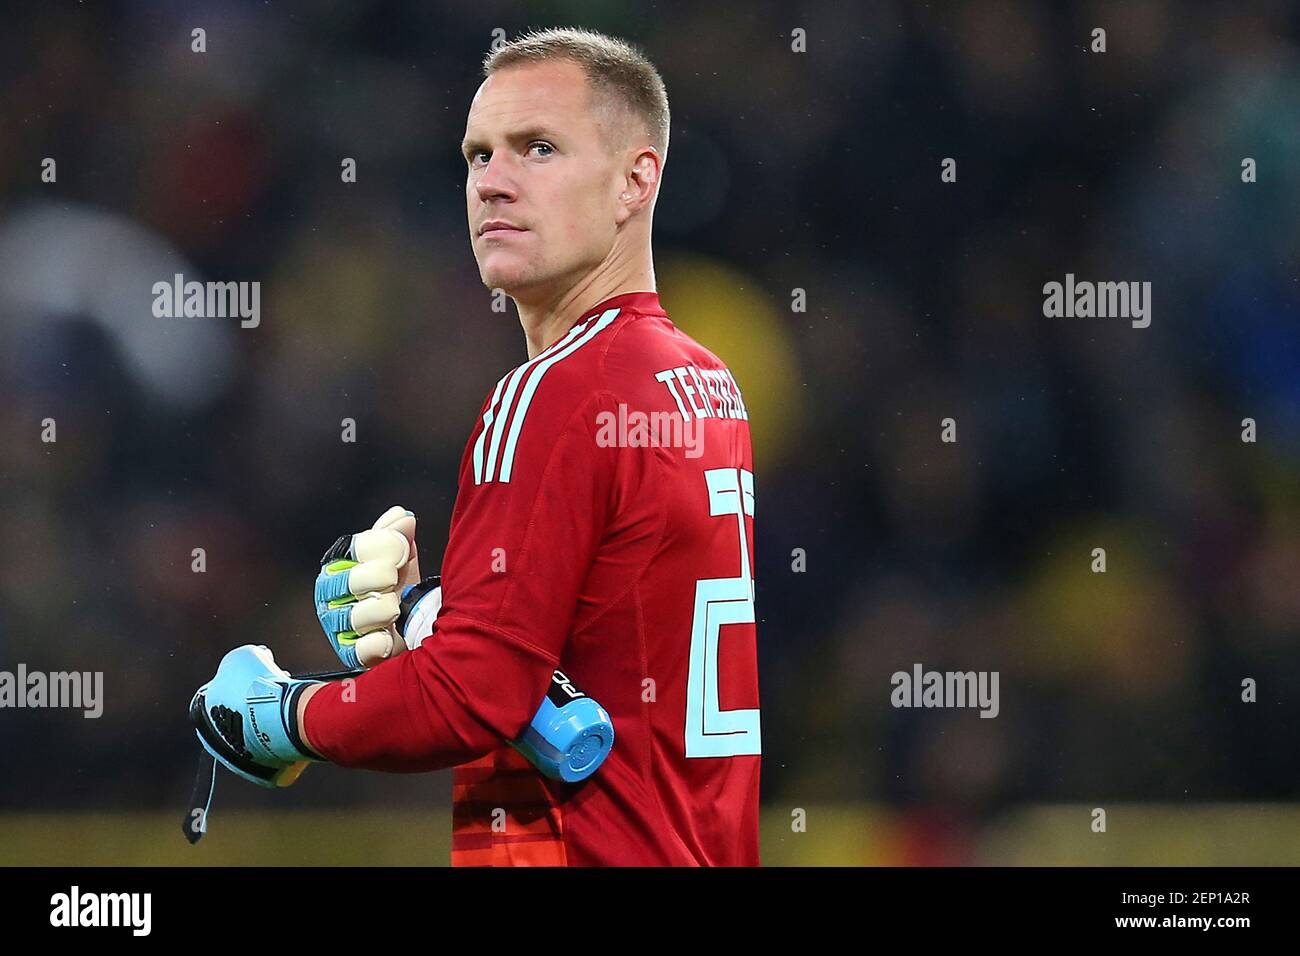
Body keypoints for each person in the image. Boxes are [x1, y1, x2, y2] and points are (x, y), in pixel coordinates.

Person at [196, 26, 761, 866]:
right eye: (477, 156)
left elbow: (471, 699)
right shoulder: (707, 383)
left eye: (537, 148)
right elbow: (591, 666)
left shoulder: (553, 393)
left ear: (636, 180)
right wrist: (434, 610)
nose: (493, 183)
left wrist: (281, 717)